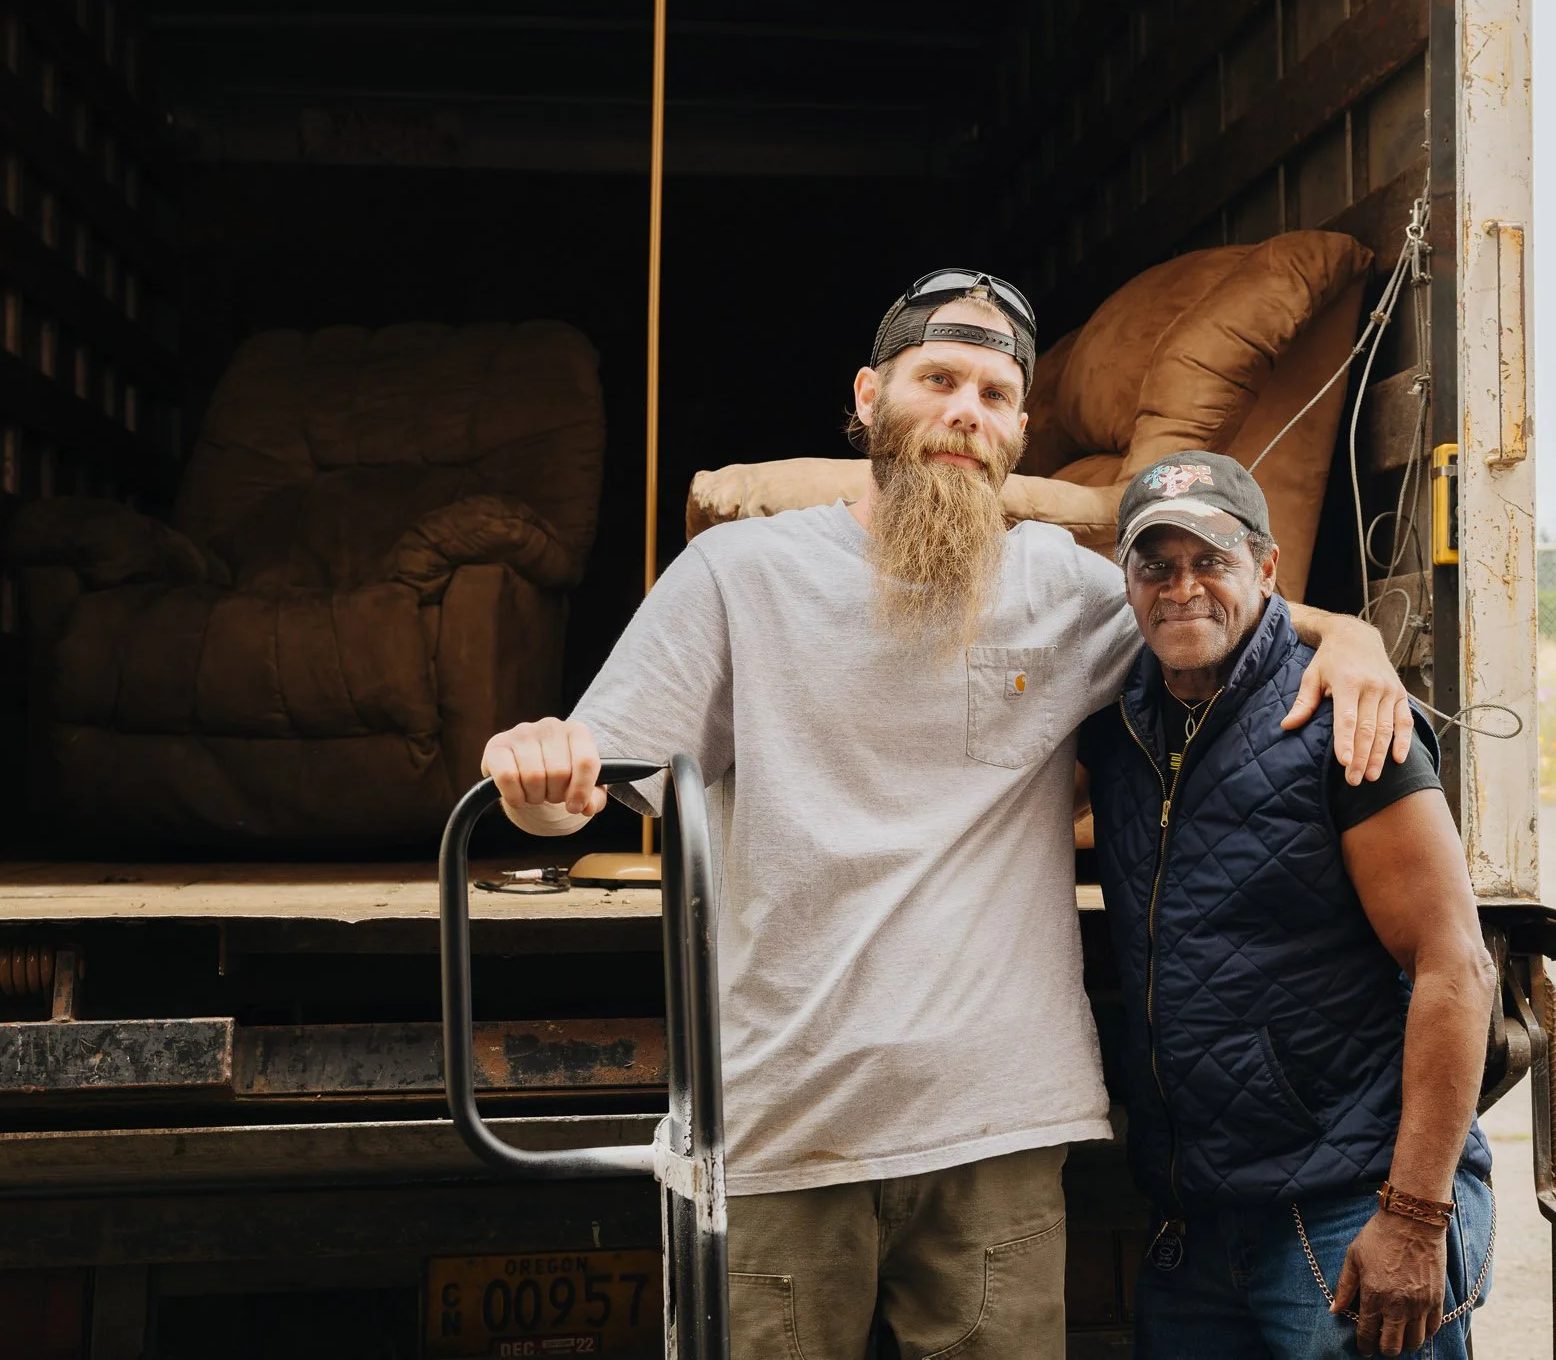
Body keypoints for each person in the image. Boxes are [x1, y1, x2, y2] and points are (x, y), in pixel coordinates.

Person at [479, 271, 1414, 1357]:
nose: (966, 410)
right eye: (938, 380)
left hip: (997, 1129)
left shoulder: (1057, 586)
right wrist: (534, 781)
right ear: (870, 397)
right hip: (788, 1132)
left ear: (1019, 429)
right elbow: (581, 795)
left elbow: (1213, 607)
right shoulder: (738, 576)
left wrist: (1346, 632)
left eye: (995, 392)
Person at [1078, 450, 1497, 1358]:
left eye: (1212, 561)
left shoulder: (1352, 725)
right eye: (1157, 564)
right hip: (1195, 1226)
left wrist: (1417, 1219)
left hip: (1349, 1213)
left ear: (1267, 570)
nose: (1183, 587)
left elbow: (1455, 966)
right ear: (1127, 581)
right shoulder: (1120, 724)